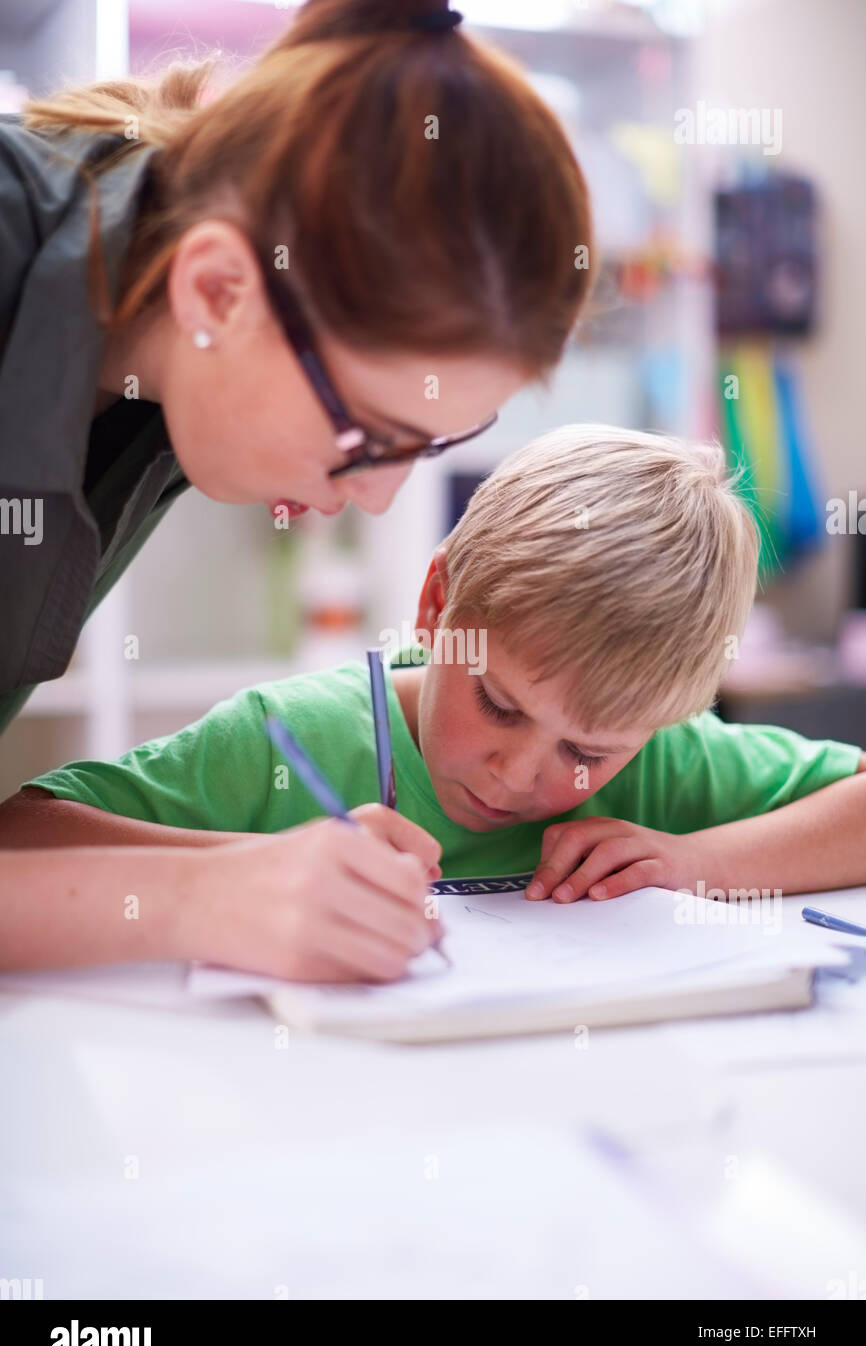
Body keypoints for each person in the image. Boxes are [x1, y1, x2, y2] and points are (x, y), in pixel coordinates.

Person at [0, 0, 594, 951]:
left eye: (429, 445)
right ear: (218, 290)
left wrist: (263, 874)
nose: (375, 495)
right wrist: (194, 905)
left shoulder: (155, 388)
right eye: (367, 436)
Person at [4, 423, 864, 980]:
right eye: (497, 703)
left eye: (588, 755)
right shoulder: (288, 737)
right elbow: (24, 835)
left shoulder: (666, 760)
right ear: (436, 604)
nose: (524, 773)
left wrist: (700, 863)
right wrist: (244, 871)